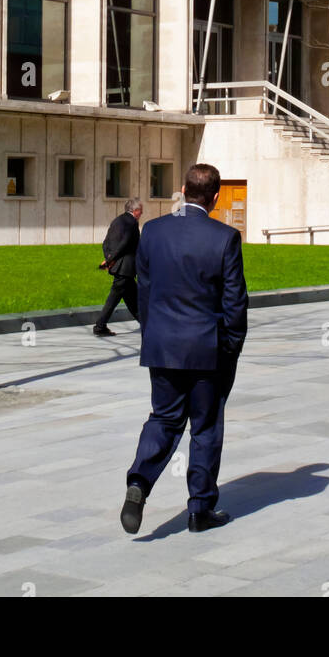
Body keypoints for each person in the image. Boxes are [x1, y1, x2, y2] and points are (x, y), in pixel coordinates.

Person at [120, 162, 248, 536]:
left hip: (163, 347)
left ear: (181, 189)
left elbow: (144, 290)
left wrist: (152, 334)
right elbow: (235, 304)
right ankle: (200, 509)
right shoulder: (224, 237)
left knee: (163, 418)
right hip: (207, 350)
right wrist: (231, 348)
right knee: (205, 427)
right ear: (216, 196)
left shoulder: (153, 231)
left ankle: (139, 483)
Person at [94, 198, 143, 336]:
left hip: (120, 268)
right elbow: (125, 243)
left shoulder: (117, 221)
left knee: (133, 299)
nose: (142, 214)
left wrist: (108, 258)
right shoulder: (132, 223)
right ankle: (99, 326)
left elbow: (105, 243)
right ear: (136, 210)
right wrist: (110, 260)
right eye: (141, 211)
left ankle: (147, 323)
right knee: (114, 298)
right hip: (125, 268)